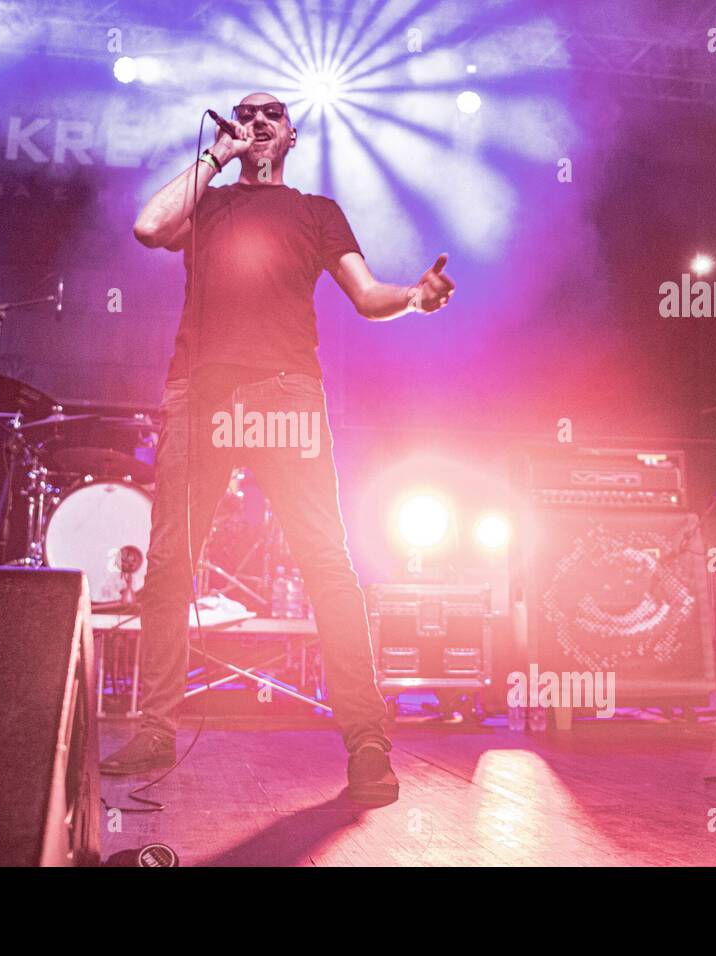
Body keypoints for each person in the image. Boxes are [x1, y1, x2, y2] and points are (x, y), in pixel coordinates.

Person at [101, 92, 455, 807]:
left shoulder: (317, 212)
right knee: (170, 566)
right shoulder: (207, 204)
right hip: (199, 392)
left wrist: (415, 297)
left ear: (292, 134)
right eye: (246, 114)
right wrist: (218, 155)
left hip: (287, 395)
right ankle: (155, 731)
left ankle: (367, 743)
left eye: (272, 115)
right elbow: (147, 227)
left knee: (327, 562)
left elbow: (366, 295)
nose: (258, 121)